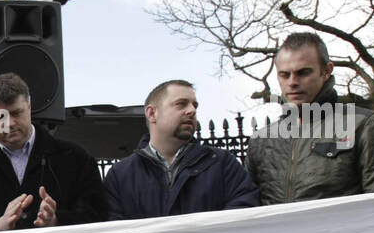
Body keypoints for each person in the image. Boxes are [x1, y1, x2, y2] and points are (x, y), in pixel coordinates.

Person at [246, 32, 374, 204]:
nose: (292, 82)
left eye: (303, 73)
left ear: (327, 71)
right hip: (279, 231)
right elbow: (248, 213)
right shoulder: (261, 141)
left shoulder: (364, 126)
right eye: (284, 75)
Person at [0, 72, 105, 233]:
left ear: (29, 107)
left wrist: (56, 220)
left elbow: (99, 216)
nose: (10, 123)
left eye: (16, 113)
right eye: (0, 117)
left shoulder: (75, 158)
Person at [104, 80, 259, 220]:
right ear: (152, 113)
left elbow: (245, 212)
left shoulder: (222, 163)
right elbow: (114, 232)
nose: (191, 110)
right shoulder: (120, 175)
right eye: (181, 104)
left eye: (194, 105)